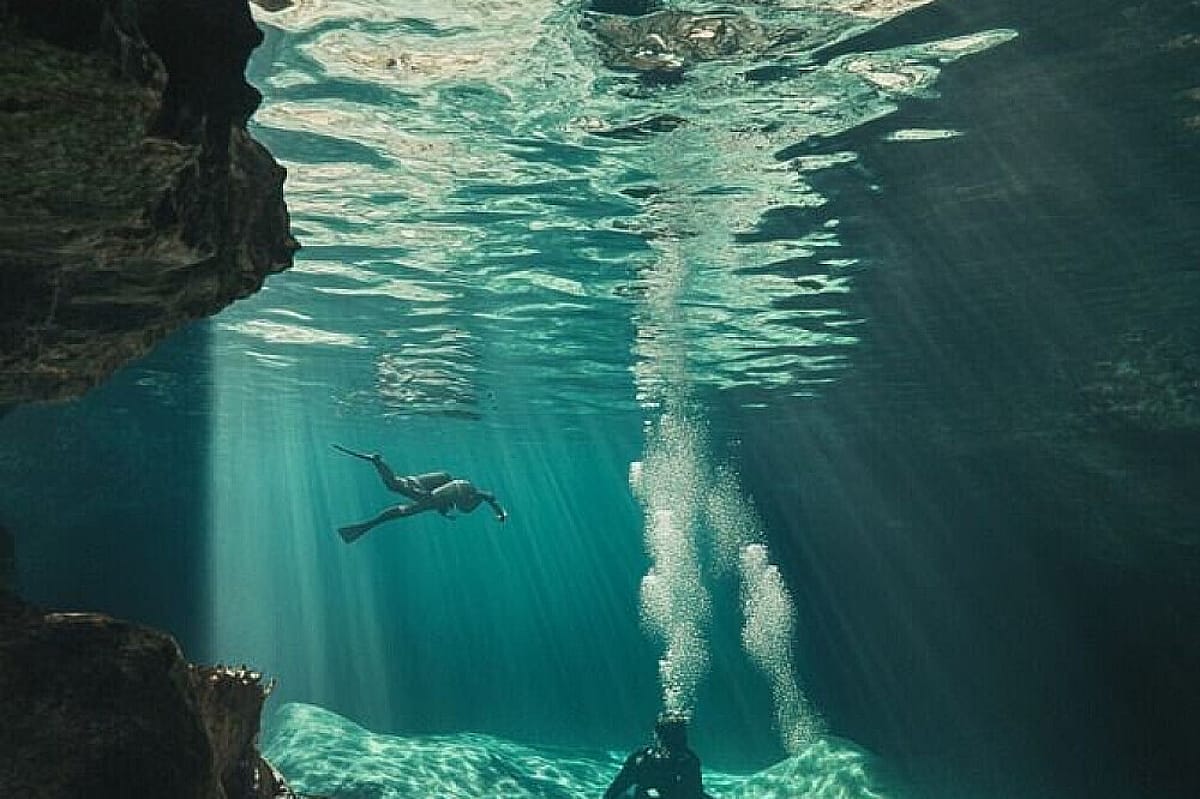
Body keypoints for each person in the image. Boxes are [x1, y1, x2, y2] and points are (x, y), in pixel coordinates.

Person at [333, 444, 507, 543]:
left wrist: (442, 511)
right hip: (450, 489)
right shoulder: (469, 500)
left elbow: (483, 497)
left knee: (398, 494)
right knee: (409, 499)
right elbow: (487, 496)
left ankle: (378, 462)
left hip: (444, 488)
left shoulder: (459, 502)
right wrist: (500, 513)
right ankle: (378, 462)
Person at [603, 711, 709, 799]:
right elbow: (614, 791)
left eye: (677, 740)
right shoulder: (641, 759)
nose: (673, 748)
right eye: (670, 740)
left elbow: (693, 794)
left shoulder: (688, 762)